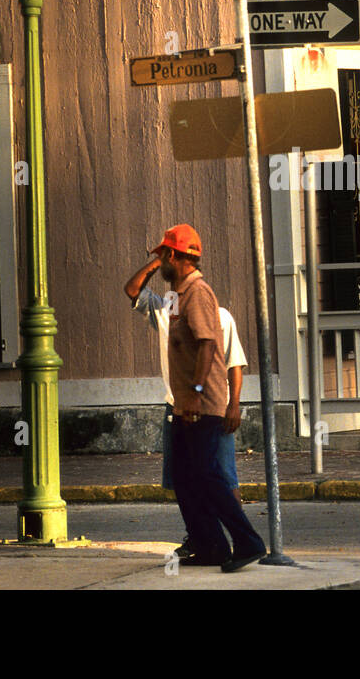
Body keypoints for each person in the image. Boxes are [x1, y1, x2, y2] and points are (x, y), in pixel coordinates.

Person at [150, 223, 265, 572]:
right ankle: (211, 546)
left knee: (207, 475)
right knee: (185, 479)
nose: (161, 264)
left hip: (203, 404)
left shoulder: (198, 293)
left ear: (174, 256)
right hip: (186, 405)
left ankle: (248, 541)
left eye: (163, 256)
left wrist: (198, 393)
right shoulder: (180, 296)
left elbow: (207, 343)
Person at [124, 251, 249, 558]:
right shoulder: (167, 311)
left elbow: (234, 363)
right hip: (177, 407)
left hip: (209, 406)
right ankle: (204, 539)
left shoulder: (221, 316)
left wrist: (234, 404)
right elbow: (133, 290)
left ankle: (242, 540)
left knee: (221, 475)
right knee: (184, 479)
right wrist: (159, 262)